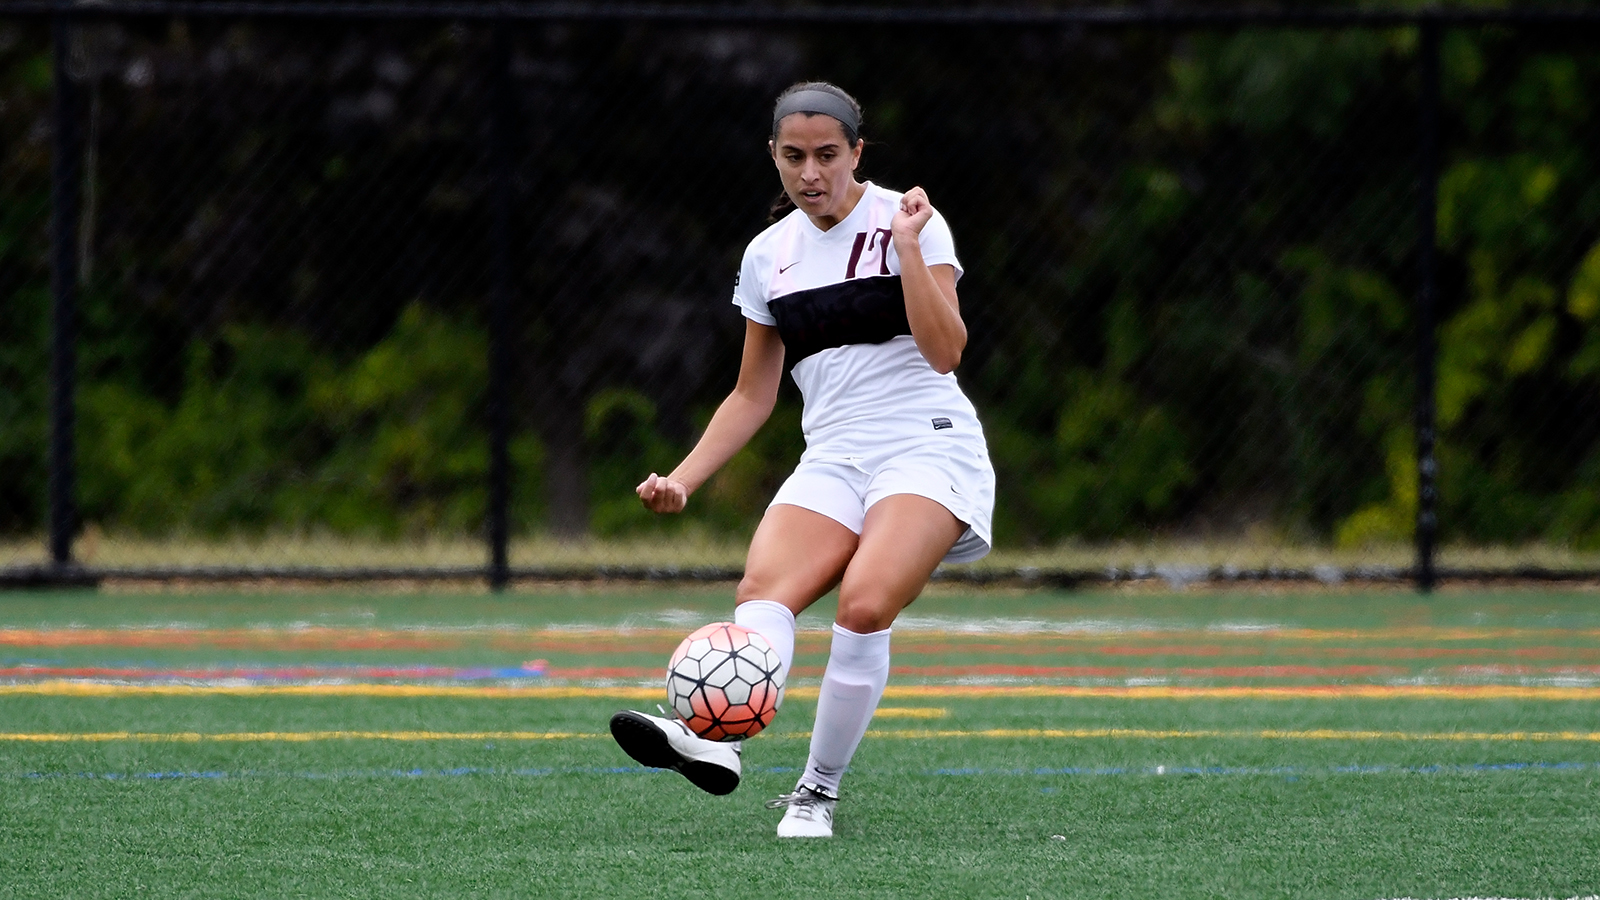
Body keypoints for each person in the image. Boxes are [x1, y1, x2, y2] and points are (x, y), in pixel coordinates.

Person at [608, 81, 994, 839]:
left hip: (928, 440)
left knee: (864, 603)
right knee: (763, 592)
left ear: (856, 153)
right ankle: (716, 742)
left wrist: (909, 249)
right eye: (794, 157)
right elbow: (752, 395)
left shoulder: (910, 220)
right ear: (774, 158)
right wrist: (683, 479)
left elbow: (946, 351)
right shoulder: (767, 255)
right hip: (836, 455)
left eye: (826, 155)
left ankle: (816, 792)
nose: (811, 172)